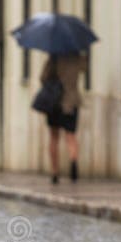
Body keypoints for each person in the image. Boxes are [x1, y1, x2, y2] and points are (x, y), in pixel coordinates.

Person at [40, 53, 87, 184]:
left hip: (55, 102)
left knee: (54, 137)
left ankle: (55, 172)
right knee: (70, 135)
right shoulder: (77, 57)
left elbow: (43, 77)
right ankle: (73, 160)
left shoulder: (54, 58)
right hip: (71, 102)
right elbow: (84, 68)